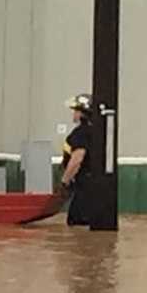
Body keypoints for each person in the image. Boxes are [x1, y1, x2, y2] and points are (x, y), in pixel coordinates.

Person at [60, 93, 93, 226]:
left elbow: (77, 159)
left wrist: (65, 181)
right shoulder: (95, 132)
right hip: (94, 190)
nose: (73, 114)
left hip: (84, 188)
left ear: (82, 113)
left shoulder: (80, 133)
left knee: (76, 223)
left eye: (75, 111)